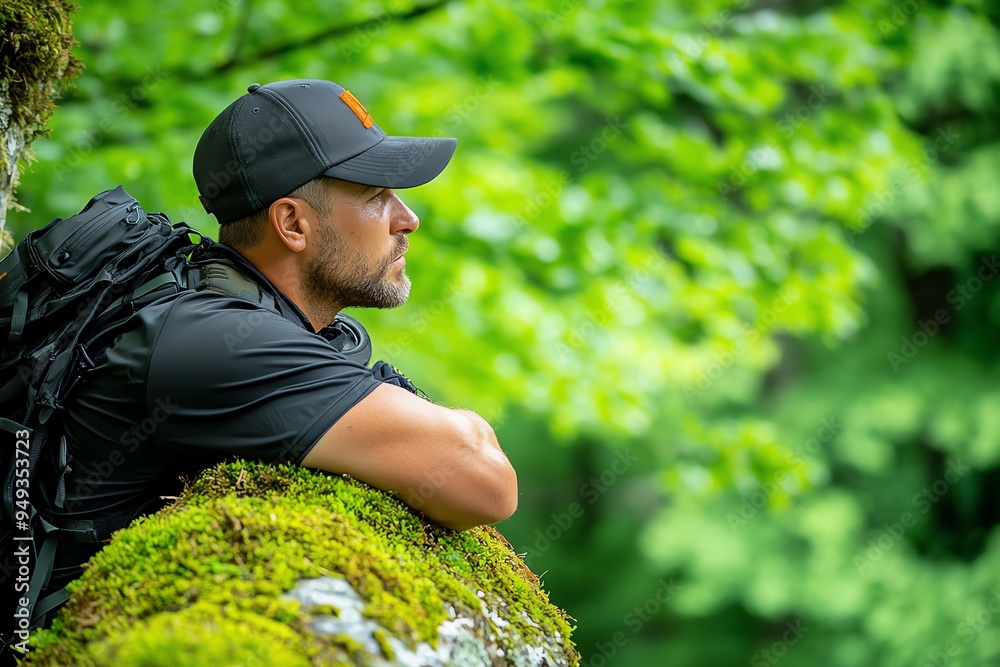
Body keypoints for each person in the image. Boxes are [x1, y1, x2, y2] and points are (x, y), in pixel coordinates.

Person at [32, 79, 519, 613]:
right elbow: (485, 482)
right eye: (376, 196)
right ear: (292, 223)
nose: (408, 219)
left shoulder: (217, 305)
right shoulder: (218, 343)